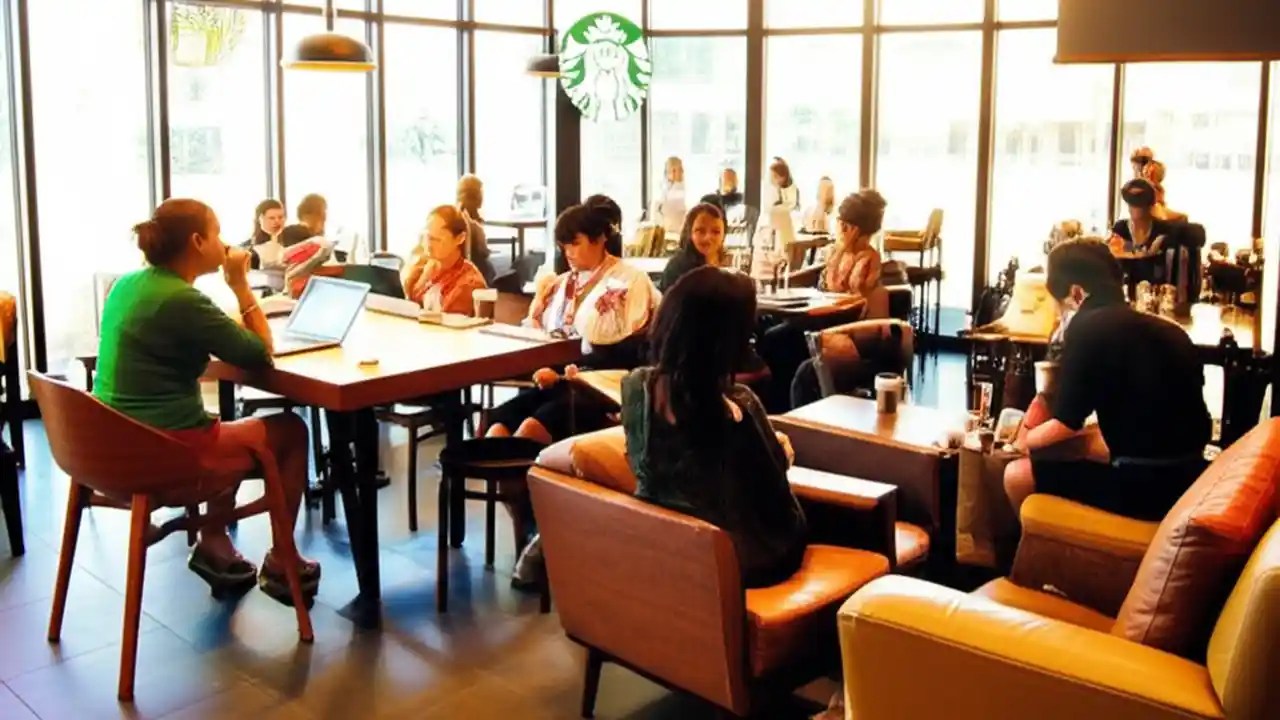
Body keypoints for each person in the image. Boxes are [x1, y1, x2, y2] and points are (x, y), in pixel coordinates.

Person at [94, 198, 319, 602]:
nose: (225, 242)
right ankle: (283, 560)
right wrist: (240, 284)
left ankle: (214, 542)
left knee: (222, 427)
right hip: (161, 459)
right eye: (217, 233)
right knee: (290, 432)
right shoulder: (183, 300)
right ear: (197, 241)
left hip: (105, 451)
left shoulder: (128, 284)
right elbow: (260, 352)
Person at [623, 266, 806, 588]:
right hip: (748, 559)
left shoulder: (636, 387)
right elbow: (772, 479)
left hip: (666, 549)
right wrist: (780, 449)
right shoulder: (738, 405)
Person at [1003, 239, 1210, 521]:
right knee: (1090, 444)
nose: (1060, 315)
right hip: (1191, 477)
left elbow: (1065, 424)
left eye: (1059, 305)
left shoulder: (1087, 326)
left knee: (1017, 474)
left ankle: (1039, 544)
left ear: (1076, 293)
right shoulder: (1167, 329)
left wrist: (1022, 440)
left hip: (1147, 490)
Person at [485, 203, 660, 444]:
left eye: (575, 244)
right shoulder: (561, 283)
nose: (568, 252)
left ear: (600, 239)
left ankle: (525, 468)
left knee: (531, 427)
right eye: (564, 245)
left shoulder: (629, 281)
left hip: (604, 385)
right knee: (499, 421)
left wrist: (566, 374)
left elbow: (629, 349)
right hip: (558, 379)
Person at [788, 189, 891, 408]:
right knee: (778, 337)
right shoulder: (846, 255)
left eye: (841, 223)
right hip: (832, 330)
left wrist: (841, 249)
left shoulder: (867, 261)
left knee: (801, 364)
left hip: (853, 342)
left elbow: (844, 298)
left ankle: (800, 420)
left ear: (850, 228)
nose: (838, 227)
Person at [402, 205, 488, 314]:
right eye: (427, 237)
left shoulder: (469, 283)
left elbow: (450, 320)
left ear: (460, 238)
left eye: (436, 240)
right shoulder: (423, 266)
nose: (428, 245)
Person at [659, 202, 727, 292]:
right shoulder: (678, 268)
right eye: (700, 231)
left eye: (716, 232)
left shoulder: (728, 263)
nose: (708, 238)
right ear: (689, 233)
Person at [456, 174, 497, 284]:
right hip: (474, 271)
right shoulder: (473, 226)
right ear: (477, 196)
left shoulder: (454, 214)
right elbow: (483, 251)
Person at [244, 199, 285, 269]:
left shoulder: (288, 244)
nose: (277, 221)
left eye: (280, 217)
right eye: (271, 218)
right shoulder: (250, 251)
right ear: (260, 219)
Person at [653, 156, 687, 235]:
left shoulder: (679, 190)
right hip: (669, 231)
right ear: (673, 171)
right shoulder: (666, 189)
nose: (683, 172)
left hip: (675, 231)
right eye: (680, 169)